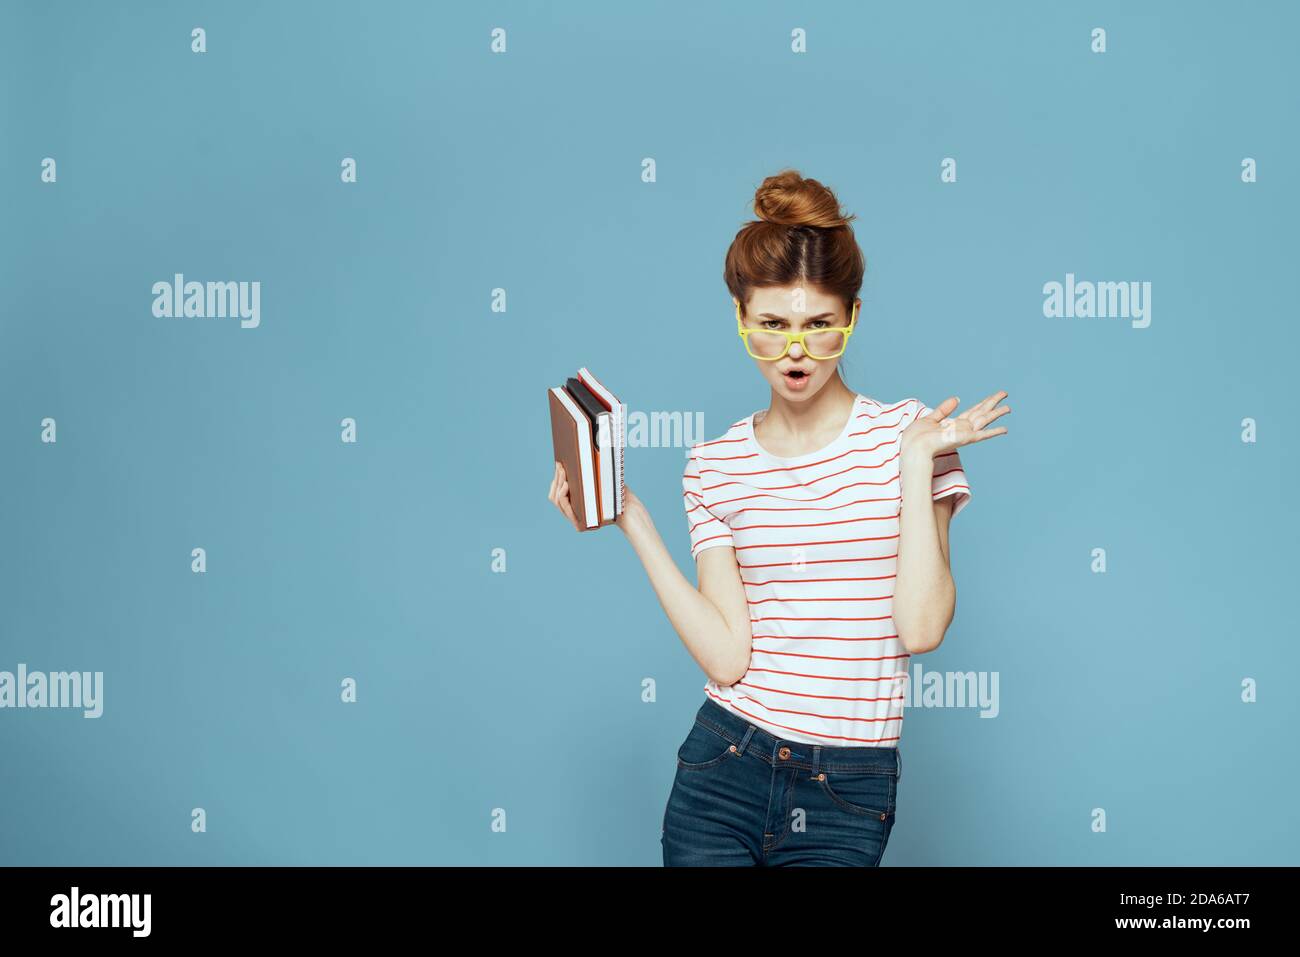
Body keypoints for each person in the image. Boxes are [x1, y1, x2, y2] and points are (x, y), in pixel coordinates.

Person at [548, 169, 1010, 865]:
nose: (795, 351)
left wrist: (916, 464)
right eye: (772, 325)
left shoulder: (912, 436)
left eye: (819, 325)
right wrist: (631, 517)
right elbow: (729, 655)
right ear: (741, 317)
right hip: (723, 764)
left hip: (847, 787)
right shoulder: (713, 465)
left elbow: (921, 627)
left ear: (851, 315)